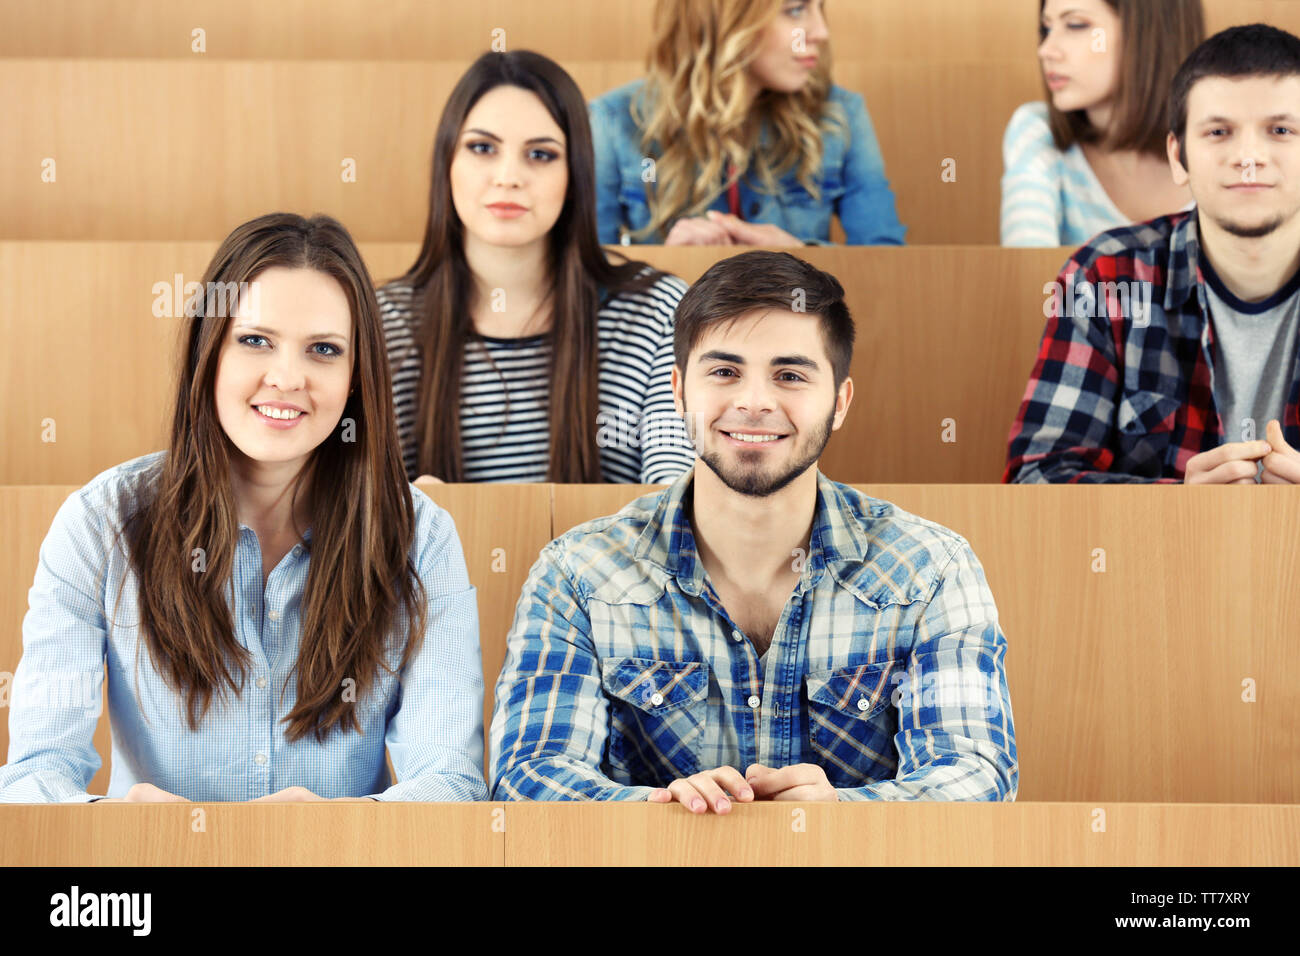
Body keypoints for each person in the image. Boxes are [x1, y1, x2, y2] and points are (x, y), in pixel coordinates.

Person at [490, 251, 1018, 808]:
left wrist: (844, 814)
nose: (754, 402)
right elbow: (530, 774)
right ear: (678, 391)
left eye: (789, 375)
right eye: (724, 372)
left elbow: (977, 777)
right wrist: (655, 812)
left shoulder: (930, 568)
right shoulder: (578, 572)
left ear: (839, 402)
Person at [0, 213, 487, 802]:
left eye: (324, 350)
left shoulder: (420, 536)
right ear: (210, 350)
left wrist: (340, 831)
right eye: (255, 340)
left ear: (356, 376)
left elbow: (451, 783)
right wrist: (115, 821)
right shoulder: (100, 523)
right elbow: (33, 778)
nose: (286, 377)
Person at [379, 50, 695, 484]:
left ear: (574, 177)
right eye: (482, 148)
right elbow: (364, 512)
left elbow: (673, 498)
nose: (508, 176)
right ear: (447, 165)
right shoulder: (385, 322)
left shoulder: (657, 311)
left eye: (541, 155)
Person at [1006, 24, 1300, 484]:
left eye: (1280, 130)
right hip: (1155, 557)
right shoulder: (1103, 275)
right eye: (1218, 131)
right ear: (1178, 157)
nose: (1248, 157)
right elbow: (1037, 479)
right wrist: (1177, 503)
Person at [590, 0, 905, 247]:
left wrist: (800, 258)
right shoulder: (613, 120)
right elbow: (585, 281)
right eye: (795, 10)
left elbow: (885, 259)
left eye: (819, 8)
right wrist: (668, 269)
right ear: (725, 18)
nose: (821, 32)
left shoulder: (842, 114)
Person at [1001, 0, 1203, 246]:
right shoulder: (1038, 132)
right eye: (1046, 29)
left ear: (1150, 34)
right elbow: (1027, 271)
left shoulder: (1220, 145)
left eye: (1076, 25)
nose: (1046, 50)